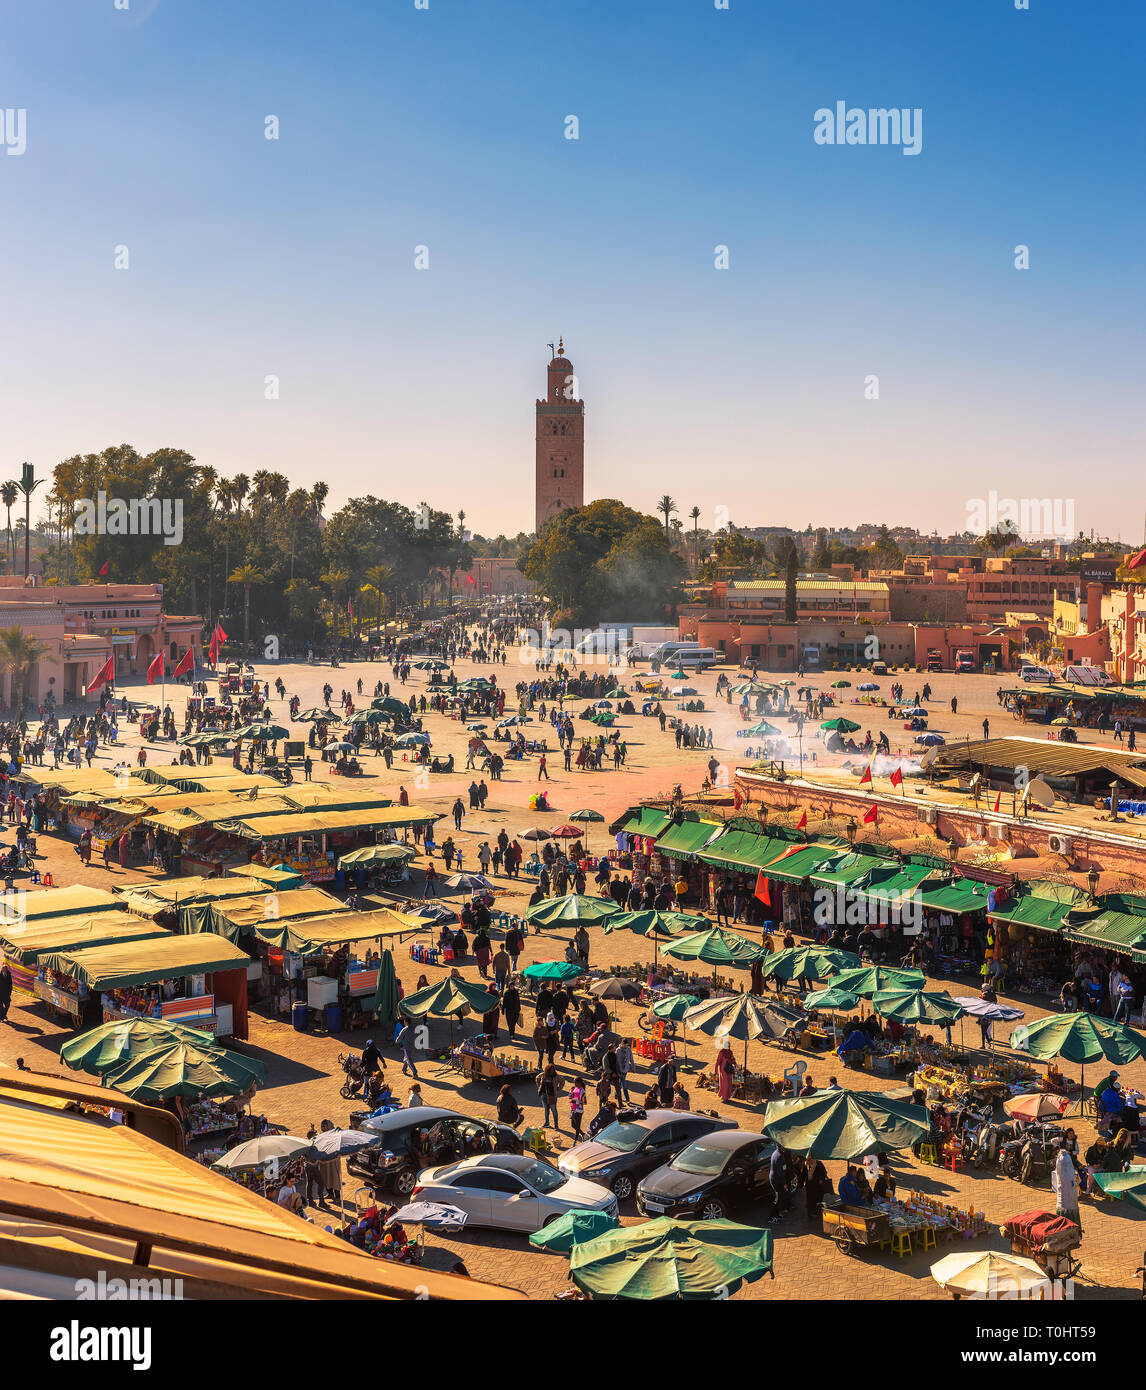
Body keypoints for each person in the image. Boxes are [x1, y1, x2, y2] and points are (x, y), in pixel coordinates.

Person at [1051, 1144, 1081, 1225]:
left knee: (1063, 1203)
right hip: (1072, 1192)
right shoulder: (1067, 1159)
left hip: (1064, 1193)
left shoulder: (1059, 1160)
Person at [537, 1063, 561, 1130]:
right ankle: (547, 1123)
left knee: (554, 1111)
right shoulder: (543, 1075)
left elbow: (562, 1081)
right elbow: (537, 1078)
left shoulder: (556, 1076)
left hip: (552, 1096)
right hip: (544, 1096)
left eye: (553, 1070)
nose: (552, 1071)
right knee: (546, 1110)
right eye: (550, 1070)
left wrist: (558, 1088)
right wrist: (539, 1087)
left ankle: (556, 1125)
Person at [569, 1076, 587, 1141]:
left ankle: (575, 1141)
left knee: (577, 1127)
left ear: (580, 1083)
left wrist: (576, 1101)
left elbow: (584, 1102)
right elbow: (570, 1097)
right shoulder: (574, 1088)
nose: (575, 1084)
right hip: (573, 1109)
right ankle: (583, 1134)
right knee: (573, 1125)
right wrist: (571, 1092)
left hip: (579, 1111)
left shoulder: (582, 1091)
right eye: (574, 1083)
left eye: (576, 1083)